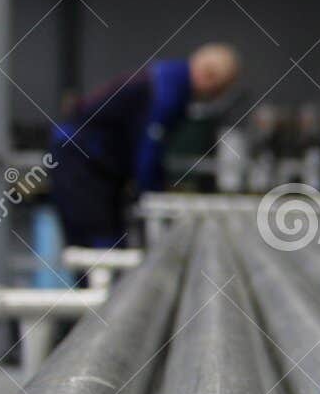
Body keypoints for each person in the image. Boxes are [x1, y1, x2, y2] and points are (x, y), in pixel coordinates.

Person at [48, 43, 240, 246]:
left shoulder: (168, 79)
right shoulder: (169, 92)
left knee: (108, 242)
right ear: (209, 77)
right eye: (219, 90)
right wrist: (155, 197)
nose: (215, 97)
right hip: (82, 164)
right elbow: (149, 152)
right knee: (101, 245)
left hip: (92, 163)